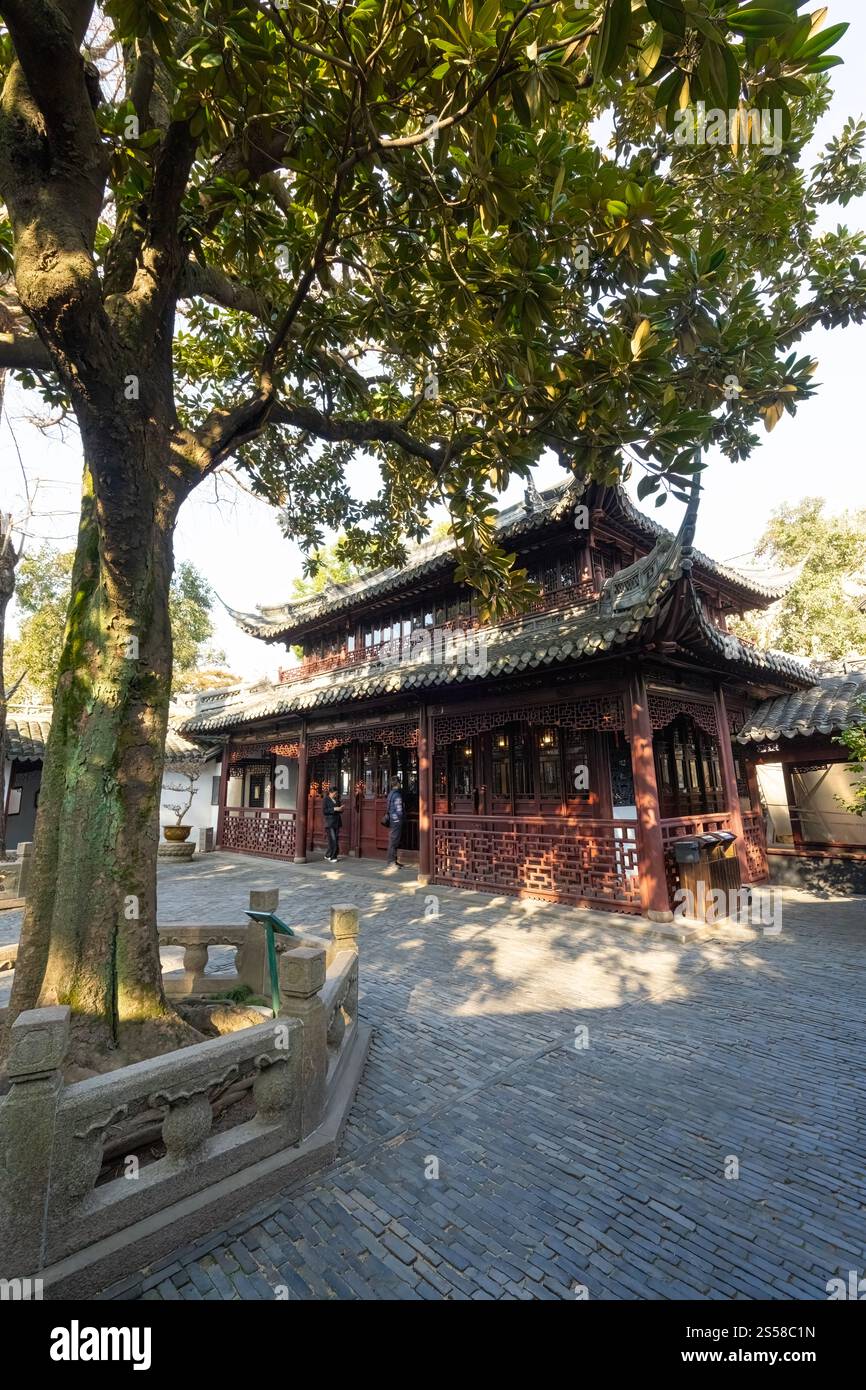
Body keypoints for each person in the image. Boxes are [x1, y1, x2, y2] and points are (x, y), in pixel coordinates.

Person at [384, 777, 404, 872]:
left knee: (393, 840)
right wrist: (400, 818)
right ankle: (391, 862)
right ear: (398, 783)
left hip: (392, 819)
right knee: (394, 841)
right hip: (396, 820)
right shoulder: (397, 795)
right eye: (400, 782)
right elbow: (399, 809)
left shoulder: (391, 794)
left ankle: (394, 860)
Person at [322, 783, 343, 862]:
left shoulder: (337, 800)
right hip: (330, 823)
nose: (336, 794)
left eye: (337, 793)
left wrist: (340, 809)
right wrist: (334, 809)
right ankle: (333, 857)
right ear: (331, 792)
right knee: (333, 840)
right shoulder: (325, 799)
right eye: (335, 793)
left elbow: (339, 810)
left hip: (337, 822)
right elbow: (324, 811)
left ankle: (327, 855)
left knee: (334, 839)